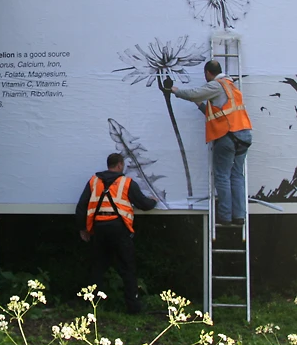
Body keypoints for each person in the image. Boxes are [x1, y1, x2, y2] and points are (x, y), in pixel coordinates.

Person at [170, 60, 253, 226]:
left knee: (222, 176)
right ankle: (239, 216)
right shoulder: (231, 86)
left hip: (228, 135)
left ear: (208, 73)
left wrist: (176, 91)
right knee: (237, 176)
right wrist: (201, 105)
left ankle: (225, 217)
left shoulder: (217, 85)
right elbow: (220, 113)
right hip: (244, 134)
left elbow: (194, 93)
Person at [75, 152, 158, 313]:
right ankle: (133, 308)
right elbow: (144, 204)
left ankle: (92, 306)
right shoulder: (127, 182)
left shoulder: (94, 181)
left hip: (99, 229)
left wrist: (82, 228)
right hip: (119, 229)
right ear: (120, 165)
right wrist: (153, 202)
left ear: (108, 165)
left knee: (97, 267)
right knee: (127, 268)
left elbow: (81, 206)